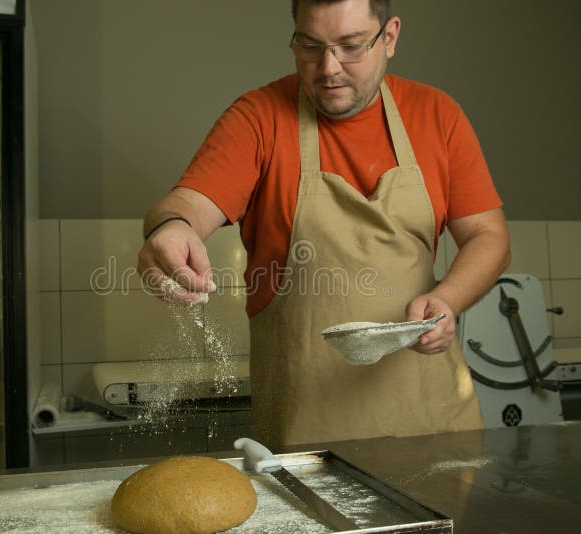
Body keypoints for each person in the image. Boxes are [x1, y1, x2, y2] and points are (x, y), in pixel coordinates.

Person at [137, 0, 510, 448]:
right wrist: (172, 227)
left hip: (434, 424)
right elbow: (186, 205)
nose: (328, 68)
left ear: (389, 37)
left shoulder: (436, 115)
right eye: (311, 46)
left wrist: (447, 300)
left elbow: (489, 236)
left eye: (350, 46)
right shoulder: (259, 117)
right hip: (308, 436)